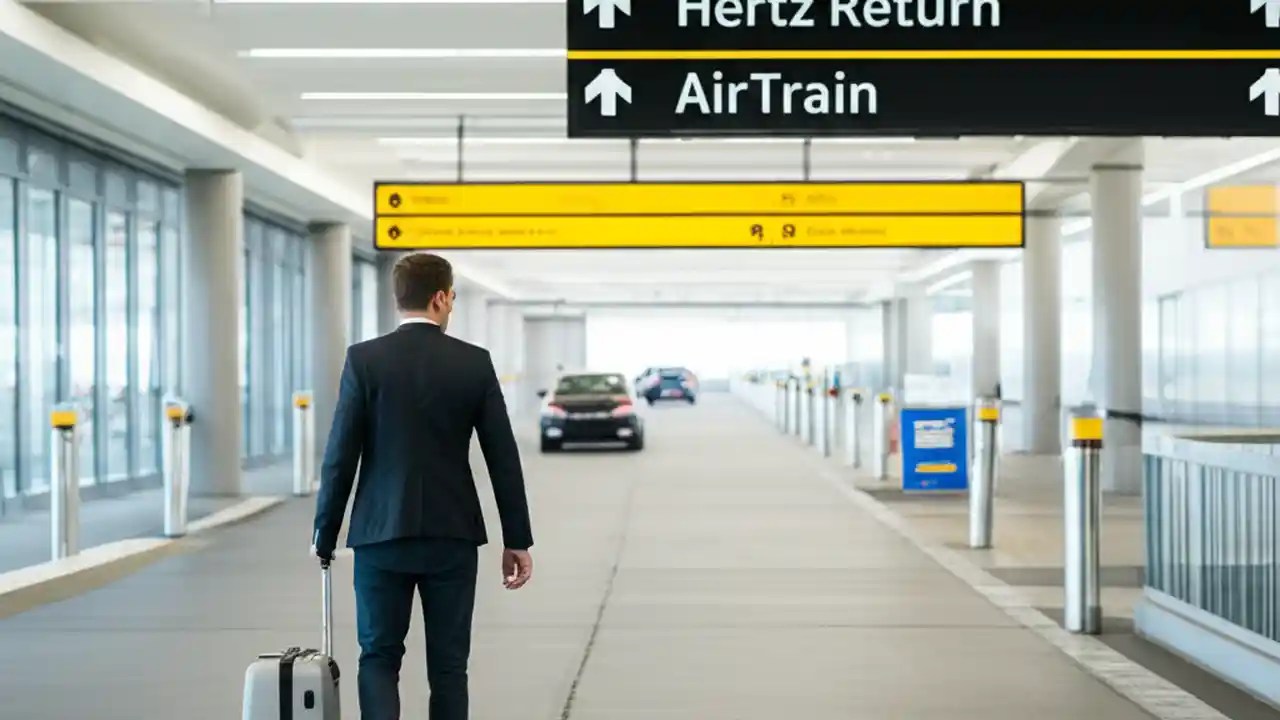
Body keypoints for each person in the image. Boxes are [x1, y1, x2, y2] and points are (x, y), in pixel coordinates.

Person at [312, 252, 534, 720]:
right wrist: (516, 539)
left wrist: (324, 536)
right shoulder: (473, 363)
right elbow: (502, 457)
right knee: (450, 666)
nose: (451, 305)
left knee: (377, 658)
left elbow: (340, 458)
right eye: (451, 297)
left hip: (379, 536)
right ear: (439, 298)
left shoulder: (365, 360)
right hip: (451, 537)